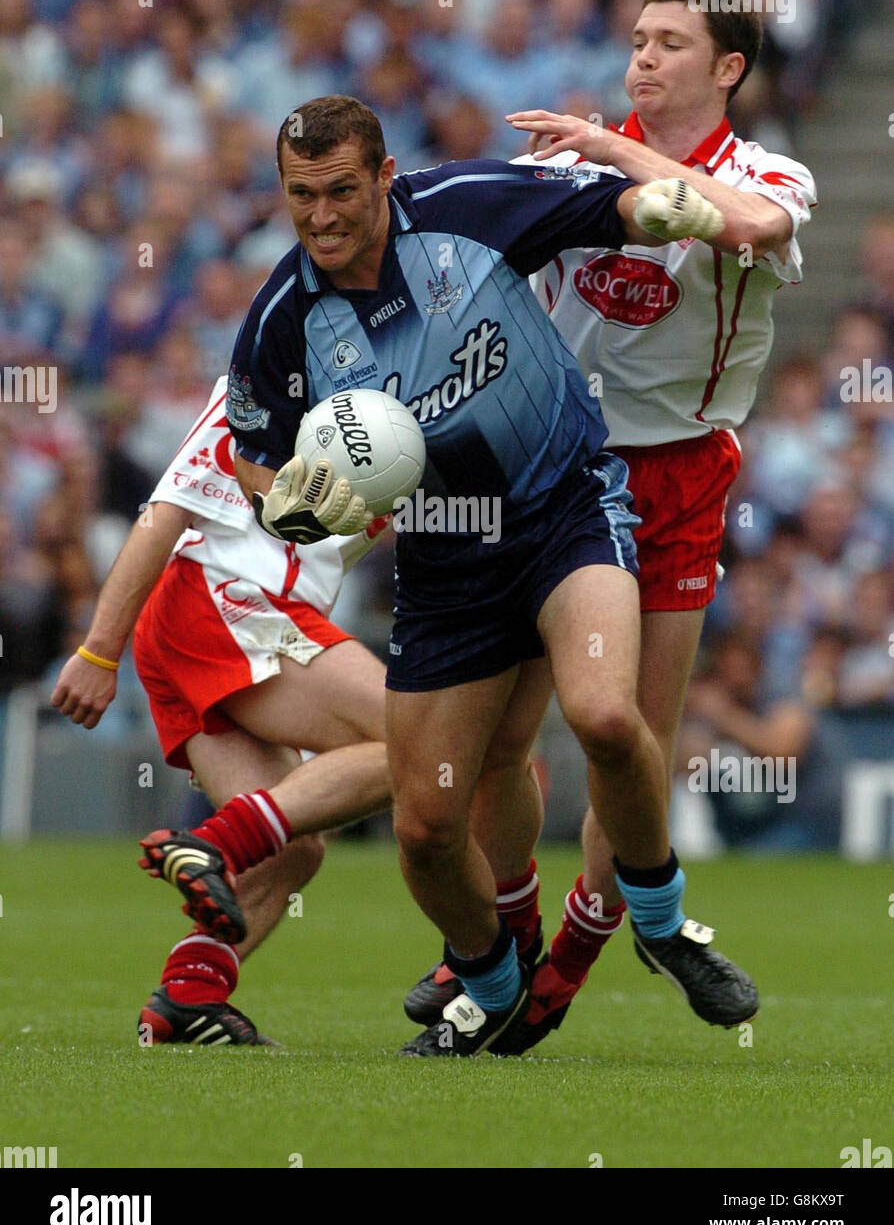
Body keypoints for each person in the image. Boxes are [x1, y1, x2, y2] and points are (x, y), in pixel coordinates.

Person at [191, 92, 755, 1059]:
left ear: (384, 177)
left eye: (341, 191)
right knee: (425, 829)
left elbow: (602, 205)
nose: (322, 216)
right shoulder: (284, 318)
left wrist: (657, 205)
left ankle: (661, 923)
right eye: (301, 196)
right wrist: (295, 506)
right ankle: (493, 979)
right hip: (446, 566)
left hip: (564, 511)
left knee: (605, 715)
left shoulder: (464, 205)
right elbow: (253, 455)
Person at [409, 0, 812, 1048]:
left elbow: (746, 224)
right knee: (501, 741)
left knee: (627, 735)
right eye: (637, 38)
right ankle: (501, 941)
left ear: (728, 67)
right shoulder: (565, 166)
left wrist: (608, 149)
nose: (643, 57)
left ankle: (569, 969)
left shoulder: (771, 172)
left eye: (671, 41)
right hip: (553, 464)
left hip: (679, 473)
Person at [52, 374, 393, 1045]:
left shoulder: (419, 395)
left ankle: (187, 997)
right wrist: (98, 651)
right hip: (224, 601)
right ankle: (211, 843)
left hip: (213, 621)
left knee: (294, 847)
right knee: (418, 740)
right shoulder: (268, 376)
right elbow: (166, 511)